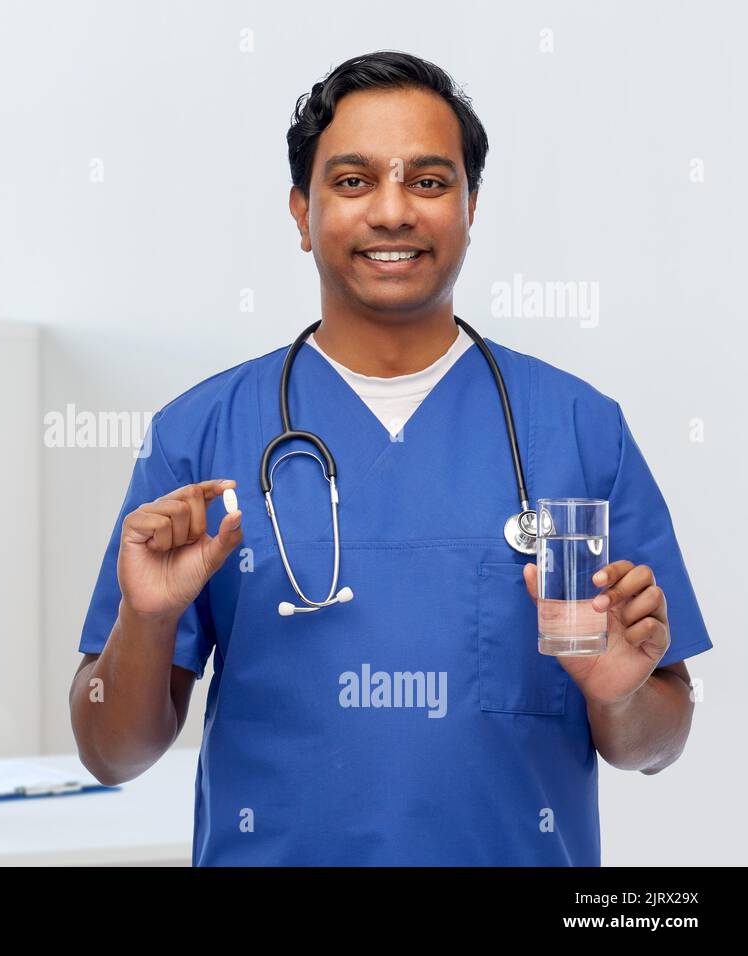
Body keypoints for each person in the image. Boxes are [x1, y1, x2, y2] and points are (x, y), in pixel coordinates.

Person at [68, 50, 712, 866]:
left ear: (471, 206)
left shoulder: (580, 430)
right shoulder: (199, 436)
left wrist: (622, 697)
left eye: (430, 182)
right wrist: (147, 620)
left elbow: (658, 742)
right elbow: (109, 751)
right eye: (353, 181)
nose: (393, 211)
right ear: (301, 213)